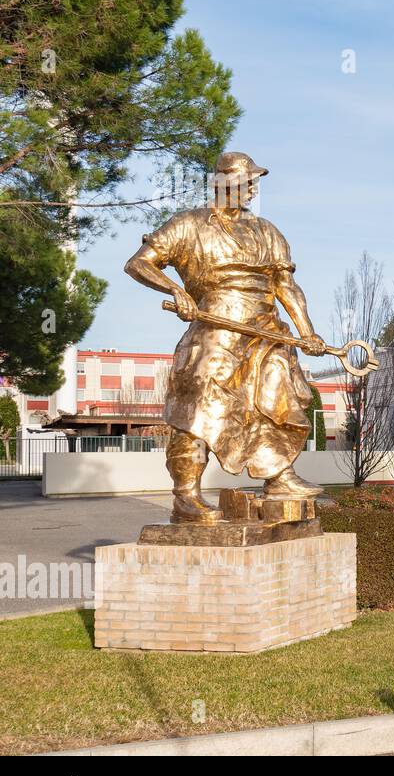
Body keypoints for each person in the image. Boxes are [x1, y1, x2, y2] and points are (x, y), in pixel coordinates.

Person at [124, 152, 327, 524]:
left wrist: (307, 331)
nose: (252, 188)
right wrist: (175, 290)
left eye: (254, 182)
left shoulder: (267, 231)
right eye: (245, 181)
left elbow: (286, 285)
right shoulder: (188, 225)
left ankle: (279, 477)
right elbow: (138, 263)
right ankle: (186, 497)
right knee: (198, 411)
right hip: (214, 327)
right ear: (221, 182)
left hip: (265, 331)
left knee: (282, 398)